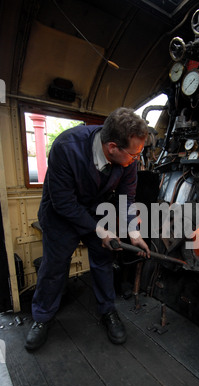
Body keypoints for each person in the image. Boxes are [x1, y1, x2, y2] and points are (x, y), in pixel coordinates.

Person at [25, 108, 150, 351]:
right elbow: (63, 202)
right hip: (60, 213)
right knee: (54, 266)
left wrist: (133, 232)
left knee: (103, 260)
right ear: (112, 147)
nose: (136, 158)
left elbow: (127, 197)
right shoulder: (66, 147)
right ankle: (42, 317)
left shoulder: (128, 158)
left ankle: (107, 310)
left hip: (95, 210)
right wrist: (100, 231)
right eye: (134, 155)